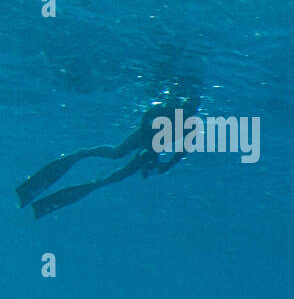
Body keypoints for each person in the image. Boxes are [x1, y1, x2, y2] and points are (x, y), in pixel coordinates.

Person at [16, 83, 201, 218]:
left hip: (152, 147)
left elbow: (181, 152)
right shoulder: (169, 108)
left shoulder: (191, 124)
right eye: (188, 106)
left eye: (192, 108)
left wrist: (162, 165)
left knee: (116, 175)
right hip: (146, 138)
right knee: (116, 153)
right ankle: (83, 153)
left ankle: (93, 179)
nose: (188, 110)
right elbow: (147, 118)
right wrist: (154, 152)